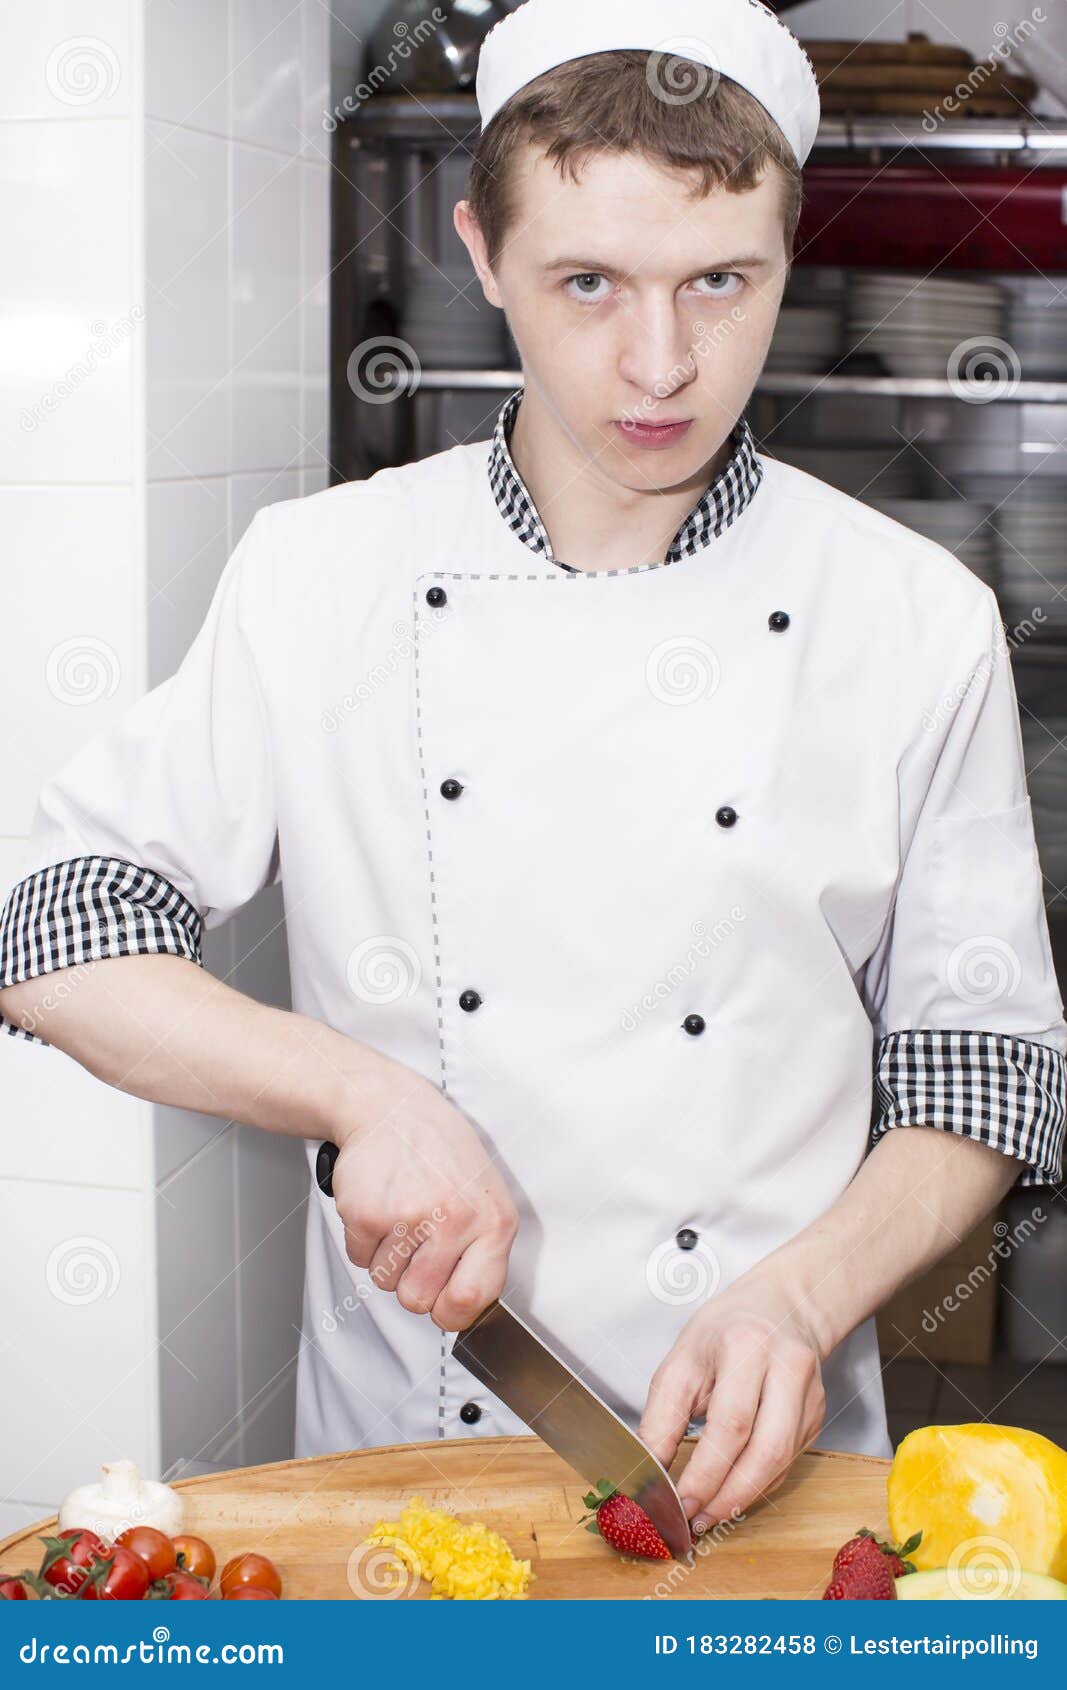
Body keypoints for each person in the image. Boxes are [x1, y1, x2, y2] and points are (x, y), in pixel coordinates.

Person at [1, 0, 1063, 1541]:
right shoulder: (322, 575)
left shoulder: (917, 618)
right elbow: (51, 926)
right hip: (409, 1461)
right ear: (479, 254)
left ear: (789, 253)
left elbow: (987, 1062)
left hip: (773, 1454)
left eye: (722, 282)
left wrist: (803, 1296)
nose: (662, 364)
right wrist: (356, 1090)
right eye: (587, 282)